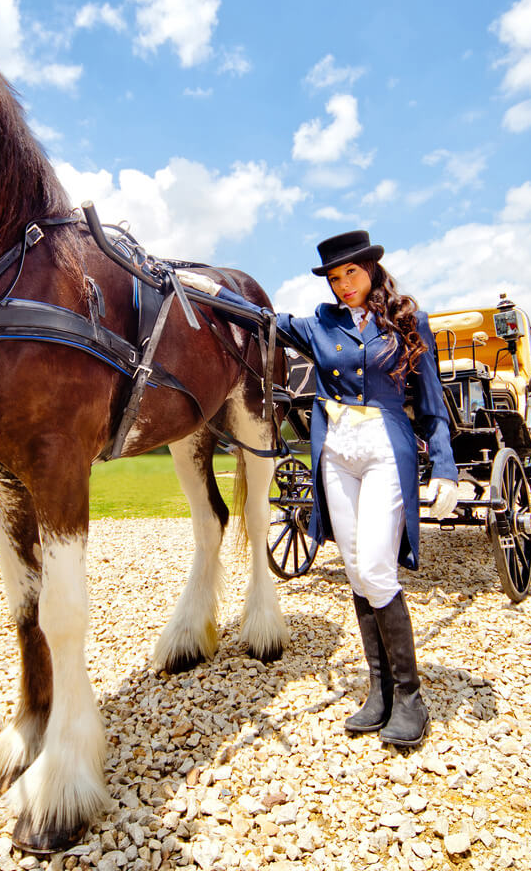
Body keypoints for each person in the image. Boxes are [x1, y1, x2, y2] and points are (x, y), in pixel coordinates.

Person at [179, 230, 458, 748]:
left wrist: (444, 466)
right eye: (334, 277)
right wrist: (209, 290)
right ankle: (379, 691)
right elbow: (263, 319)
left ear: (371, 269)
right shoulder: (321, 324)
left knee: (376, 567)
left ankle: (410, 696)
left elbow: (432, 402)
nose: (343, 284)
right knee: (356, 569)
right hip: (335, 456)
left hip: (384, 449)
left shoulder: (408, 322)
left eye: (351, 272)